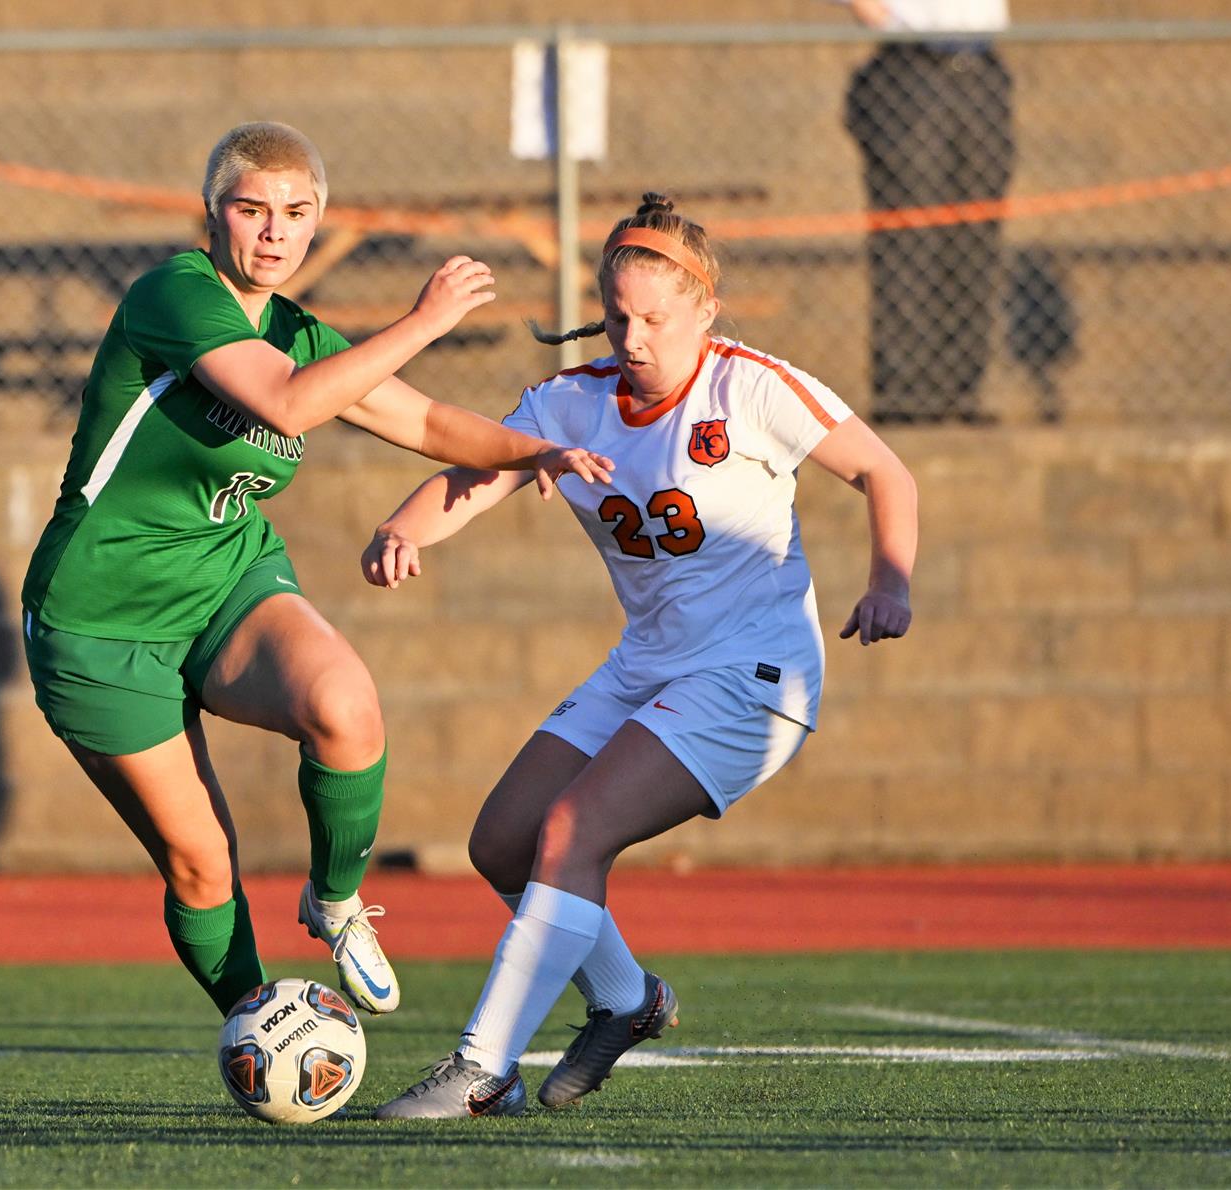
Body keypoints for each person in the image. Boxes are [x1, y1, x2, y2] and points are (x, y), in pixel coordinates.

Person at [20, 121, 614, 1021]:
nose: (274, 231)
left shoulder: (301, 332)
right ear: (211, 215)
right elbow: (288, 407)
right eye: (251, 209)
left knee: (344, 705)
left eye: (296, 213)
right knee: (201, 862)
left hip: (224, 579)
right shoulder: (173, 295)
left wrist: (537, 451)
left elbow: (427, 425)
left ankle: (334, 900)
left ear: (317, 221)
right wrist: (424, 320)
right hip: (99, 621)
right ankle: (262, 1021)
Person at [367, 195, 918, 1118]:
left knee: (571, 833)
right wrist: (404, 526)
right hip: (647, 667)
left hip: (753, 676)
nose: (633, 335)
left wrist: (891, 580)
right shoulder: (570, 403)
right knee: (501, 841)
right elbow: (478, 474)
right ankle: (626, 1000)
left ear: (704, 310)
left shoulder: (749, 387)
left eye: (655, 318)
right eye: (618, 315)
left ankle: (480, 1069)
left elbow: (884, 471)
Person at [839, 0, 1015, 424]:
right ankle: (906, 394)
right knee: (909, 237)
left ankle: (960, 389)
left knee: (975, 237)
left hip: (981, 69)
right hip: (911, 69)